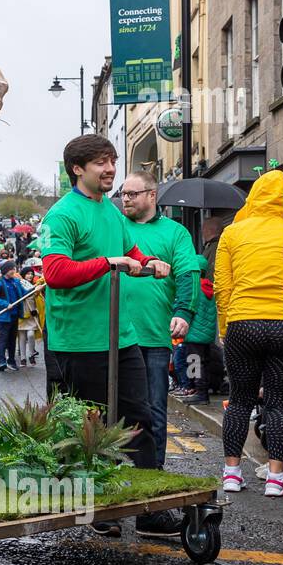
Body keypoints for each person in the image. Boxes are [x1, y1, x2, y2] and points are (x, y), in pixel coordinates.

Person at [38, 135, 182, 539]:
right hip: (79, 341)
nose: (111, 169)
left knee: (141, 420)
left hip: (121, 335)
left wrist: (147, 261)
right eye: (101, 162)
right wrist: (107, 263)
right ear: (77, 169)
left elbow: (130, 251)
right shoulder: (61, 215)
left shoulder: (113, 212)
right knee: (92, 428)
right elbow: (56, 273)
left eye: (113, 160)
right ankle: (99, 507)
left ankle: (151, 508)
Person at [214, 170, 283, 498]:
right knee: (280, 403)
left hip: (243, 322)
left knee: (239, 401)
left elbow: (223, 286)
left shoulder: (233, 233)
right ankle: (277, 479)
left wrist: (225, 328)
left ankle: (232, 473)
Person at [119, 171, 200, 468]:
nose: (125, 199)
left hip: (153, 336)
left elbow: (188, 274)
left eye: (132, 194)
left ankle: (154, 473)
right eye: (123, 193)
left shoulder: (175, 232)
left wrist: (183, 312)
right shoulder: (115, 227)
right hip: (113, 335)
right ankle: (116, 480)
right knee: (112, 410)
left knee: (153, 408)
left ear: (152, 195)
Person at [172, 255, 217, 405]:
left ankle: (198, 391)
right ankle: (202, 390)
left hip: (194, 334)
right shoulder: (209, 287)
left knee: (194, 362)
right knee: (203, 362)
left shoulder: (194, 289)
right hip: (207, 334)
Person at [0, 260, 24, 372]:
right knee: (3, 339)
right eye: (12, 269)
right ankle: (2, 361)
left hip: (15, 315)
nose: (14, 270)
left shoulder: (16, 282)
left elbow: (24, 293)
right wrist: (5, 304)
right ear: (6, 270)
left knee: (12, 339)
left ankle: (11, 361)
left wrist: (36, 289)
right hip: (4, 317)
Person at [17, 267, 43, 366]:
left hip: (32, 315)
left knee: (31, 335)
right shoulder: (19, 285)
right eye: (28, 274)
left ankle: (32, 353)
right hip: (22, 315)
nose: (30, 276)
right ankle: (23, 358)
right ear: (23, 275)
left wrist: (36, 311)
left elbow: (39, 302)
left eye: (31, 274)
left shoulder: (35, 286)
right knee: (22, 337)